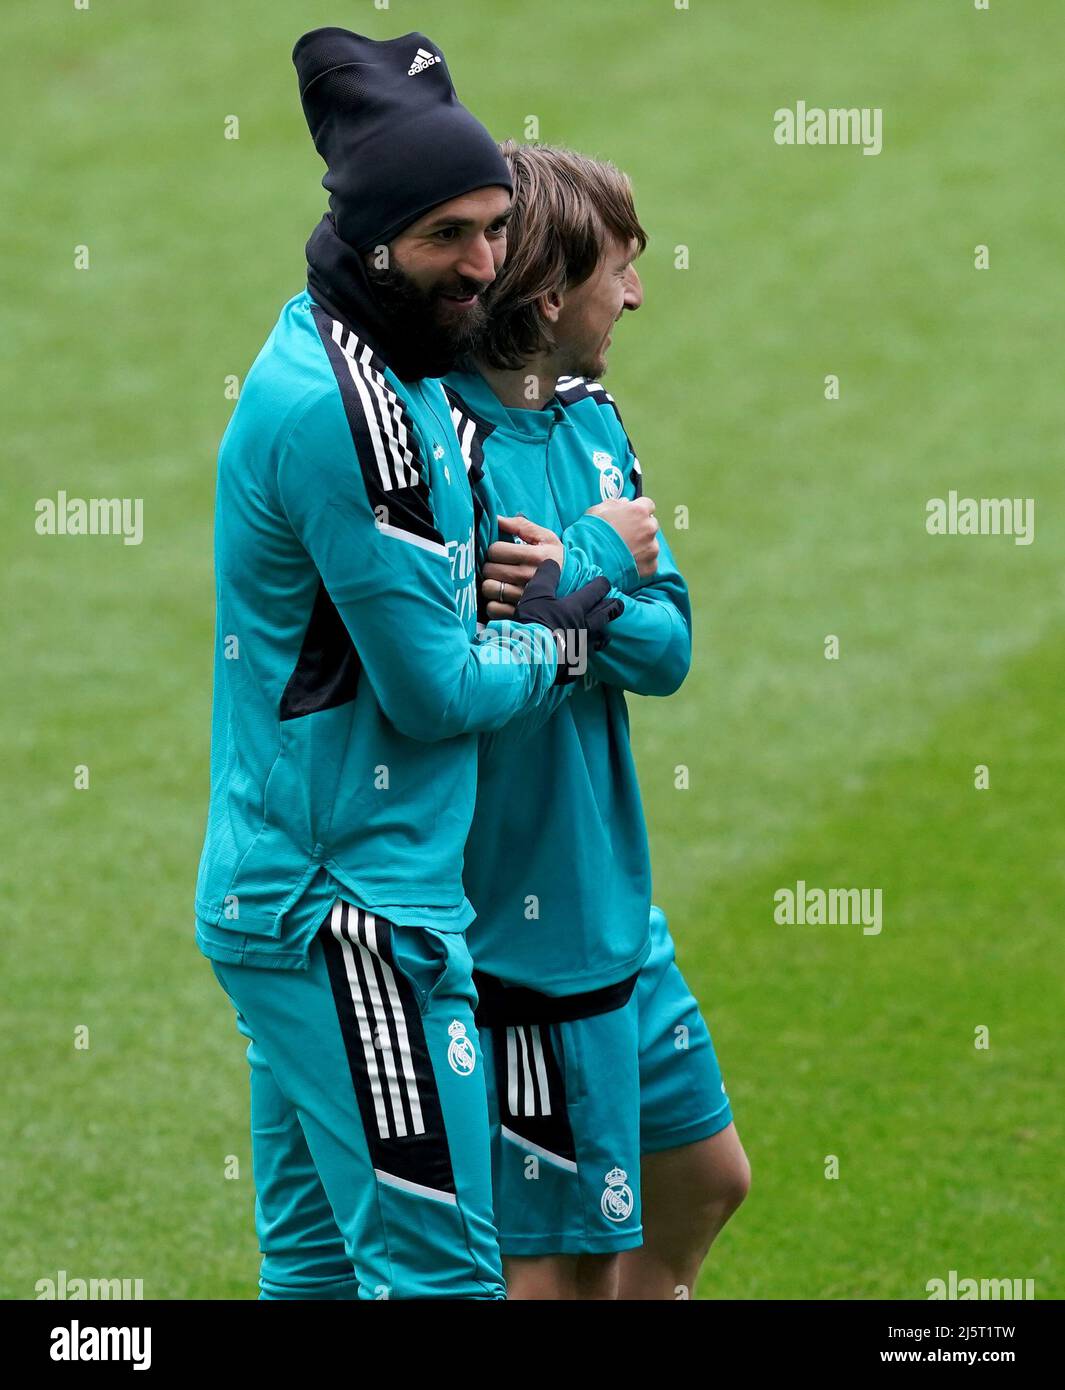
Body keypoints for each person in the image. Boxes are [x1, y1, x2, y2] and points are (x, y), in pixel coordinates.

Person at [194, 33, 618, 1301]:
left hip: (301, 896)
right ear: (373, 238)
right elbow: (435, 693)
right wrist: (572, 620)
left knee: (317, 1276)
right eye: (448, 237)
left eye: (494, 228)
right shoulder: (351, 412)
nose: (485, 266)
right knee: (439, 1282)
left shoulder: (373, 357)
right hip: (354, 923)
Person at [444, 143, 750, 1300]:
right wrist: (598, 571)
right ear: (546, 292)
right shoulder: (448, 451)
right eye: (618, 269)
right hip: (521, 929)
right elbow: (466, 672)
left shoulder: (590, 416)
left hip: (616, 909)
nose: (635, 294)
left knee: (706, 1176)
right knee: (555, 1265)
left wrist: (572, 592)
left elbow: (667, 649)